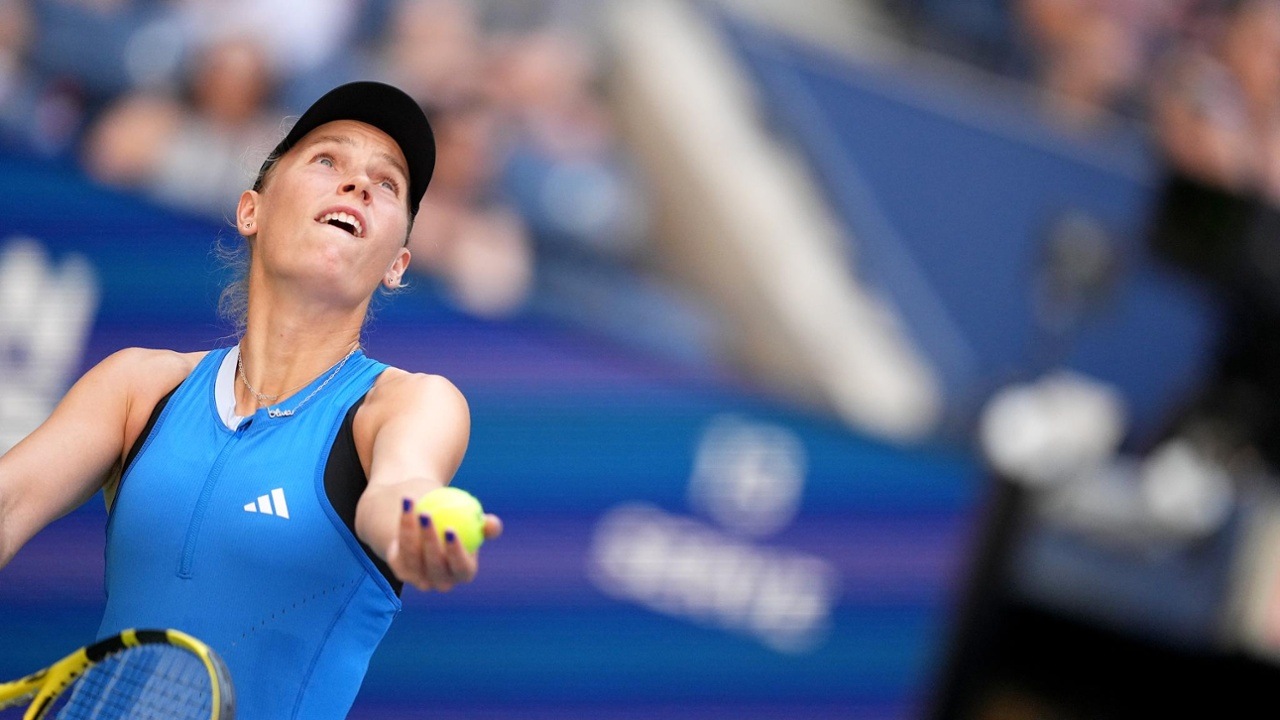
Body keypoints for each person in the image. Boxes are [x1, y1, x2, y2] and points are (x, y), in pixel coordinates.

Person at [0, 80, 502, 719]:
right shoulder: (139, 387)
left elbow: (400, 487)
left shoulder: (409, 403)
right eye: (328, 160)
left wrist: (413, 526)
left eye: (388, 183)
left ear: (397, 265)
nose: (359, 185)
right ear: (250, 211)